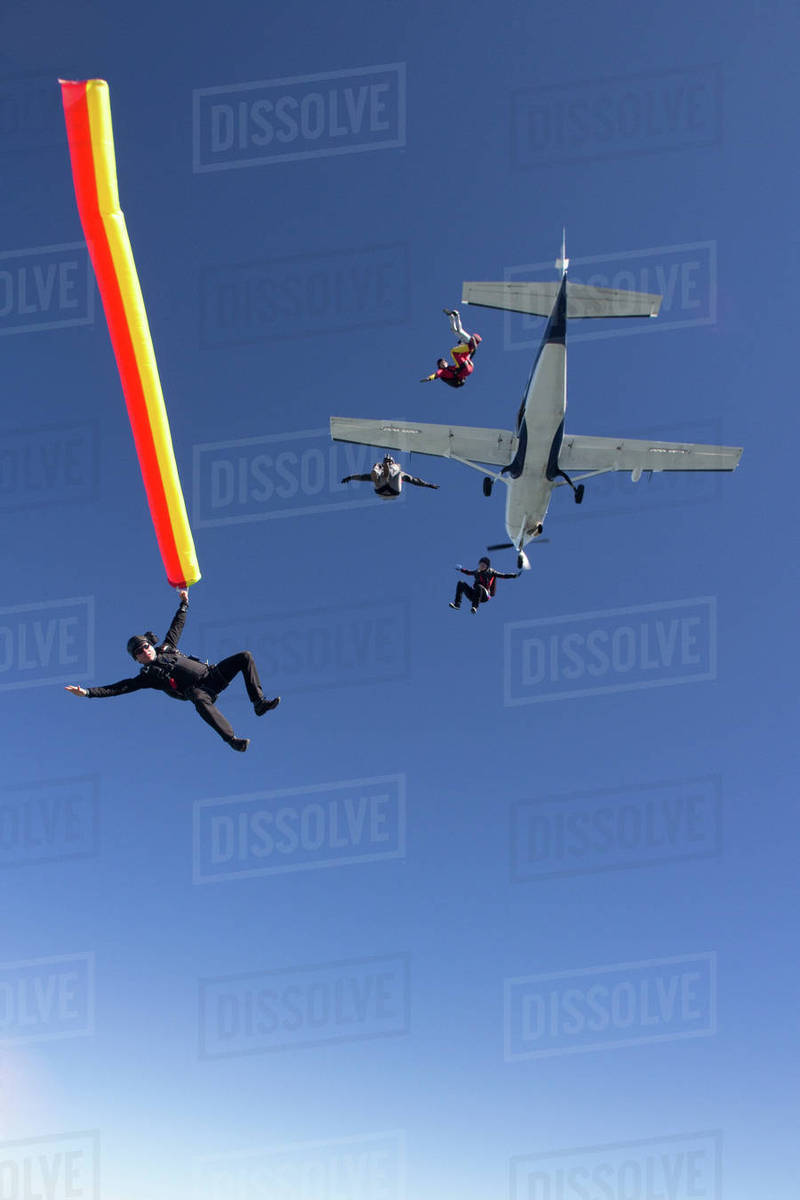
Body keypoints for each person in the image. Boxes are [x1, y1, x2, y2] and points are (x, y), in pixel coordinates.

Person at [65, 590, 280, 752]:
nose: (145, 651)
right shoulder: (147, 677)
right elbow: (121, 687)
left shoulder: (167, 647)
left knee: (245, 656)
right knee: (197, 697)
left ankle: (258, 703)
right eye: (139, 653)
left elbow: (176, 626)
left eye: (145, 646)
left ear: (150, 644)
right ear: (138, 660)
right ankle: (232, 740)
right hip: (200, 691)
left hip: (212, 675)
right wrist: (87, 692)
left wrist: (184, 604)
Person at [420, 309, 482, 388]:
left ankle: (453, 316)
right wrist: (429, 378)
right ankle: (471, 346)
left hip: (468, 363)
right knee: (454, 352)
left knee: (455, 331)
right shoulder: (443, 371)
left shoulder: (452, 366)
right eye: (441, 363)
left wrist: (470, 361)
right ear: (440, 366)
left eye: (443, 362)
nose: (443, 363)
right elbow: (436, 374)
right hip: (466, 367)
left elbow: (465, 360)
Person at [341, 454, 439, 499]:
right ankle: (379, 470)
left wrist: (429, 485)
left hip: (391, 489)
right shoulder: (381, 469)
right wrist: (350, 477)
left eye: (389, 462)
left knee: (398, 471)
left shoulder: (399, 471)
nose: (388, 462)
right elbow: (362, 477)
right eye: (387, 462)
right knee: (378, 469)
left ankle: (386, 470)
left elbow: (414, 480)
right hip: (382, 488)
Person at [449, 556, 519, 614]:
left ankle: (475, 607)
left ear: (487, 567)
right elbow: (469, 572)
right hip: (474, 594)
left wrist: (513, 575)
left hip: (485, 595)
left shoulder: (491, 571)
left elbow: (503, 575)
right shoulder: (477, 571)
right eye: (480, 565)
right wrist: (461, 569)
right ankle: (457, 604)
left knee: (479, 586)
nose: (481, 566)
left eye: (483, 565)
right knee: (461, 583)